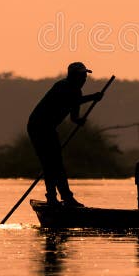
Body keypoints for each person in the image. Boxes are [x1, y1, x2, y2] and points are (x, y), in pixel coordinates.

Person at [27, 62, 104, 207]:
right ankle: (55, 197)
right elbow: (72, 100)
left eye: (85, 76)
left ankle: (64, 197)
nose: (84, 79)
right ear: (74, 76)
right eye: (82, 76)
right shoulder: (62, 86)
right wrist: (93, 97)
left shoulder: (76, 92)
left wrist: (80, 121)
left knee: (55, 163)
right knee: (51, 163)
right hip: (38, 127)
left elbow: (74, 117)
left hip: (49, 128)